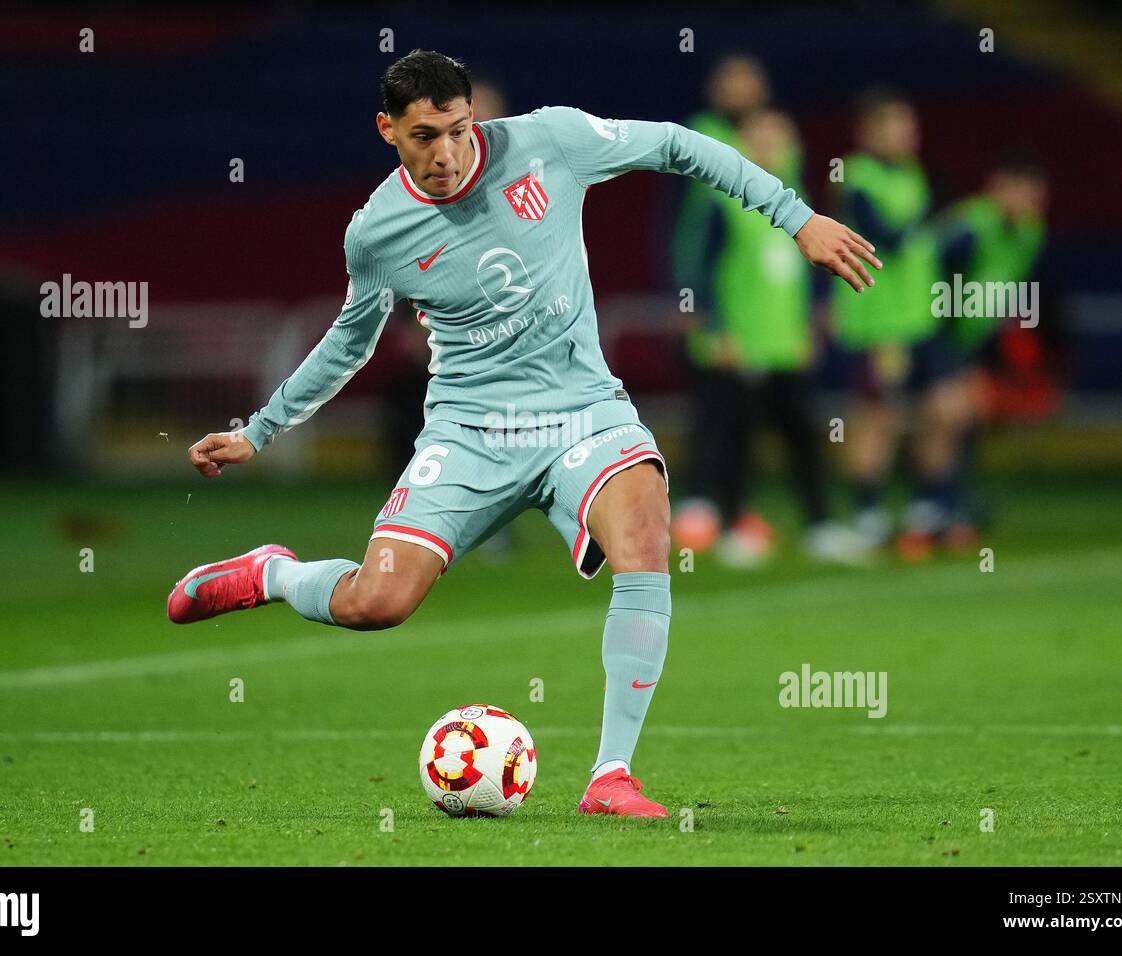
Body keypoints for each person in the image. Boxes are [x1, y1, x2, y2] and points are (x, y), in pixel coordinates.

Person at [167, 50, 879, 818]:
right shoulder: (376, 232)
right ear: (388, 130)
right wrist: (261, 429)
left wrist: (797, 217)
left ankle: (611, 776)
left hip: (583, 410)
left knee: (644, 531)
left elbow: (678, 143)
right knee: (377, 602)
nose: (443, 153)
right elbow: (351, 339)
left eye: (456, 129)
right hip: (470, 429)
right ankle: (275, 573)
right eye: (423, 136)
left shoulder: (552, 141)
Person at [673, 108, 870, 566]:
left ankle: (821, 525)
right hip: (738, 346)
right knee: (736, 441)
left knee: (803, 438)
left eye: (780, 136)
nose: (772, 146)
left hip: (785, 345)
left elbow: (805, 273)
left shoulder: (797, 207)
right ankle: (733, 526)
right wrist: (715, 329)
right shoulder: (721, 198)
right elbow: (696, 265)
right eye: (761, 137)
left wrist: (808, 323)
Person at [896, 153, 1049, 556]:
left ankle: (949, 504)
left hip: (969, 340)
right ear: (998, 186)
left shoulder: (1030, 231)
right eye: (1022, 192)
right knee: (943, 414)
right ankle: (925, 510)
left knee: (966, 415)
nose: (1029, 203)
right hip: (927, 330)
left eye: (1036, 196)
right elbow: (924, 282)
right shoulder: (968, 229)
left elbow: (999, 292)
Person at [831, 87, 941, 551]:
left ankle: (927, 505)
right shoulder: (856, 178)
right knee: (876, 418)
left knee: (931, 410)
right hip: (878, 323)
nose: (906, 135)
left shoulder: (913, 174)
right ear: (869, 133)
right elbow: (887, 240)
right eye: (894, 125)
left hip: (919, 321)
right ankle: (866, 513)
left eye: (908, 125)